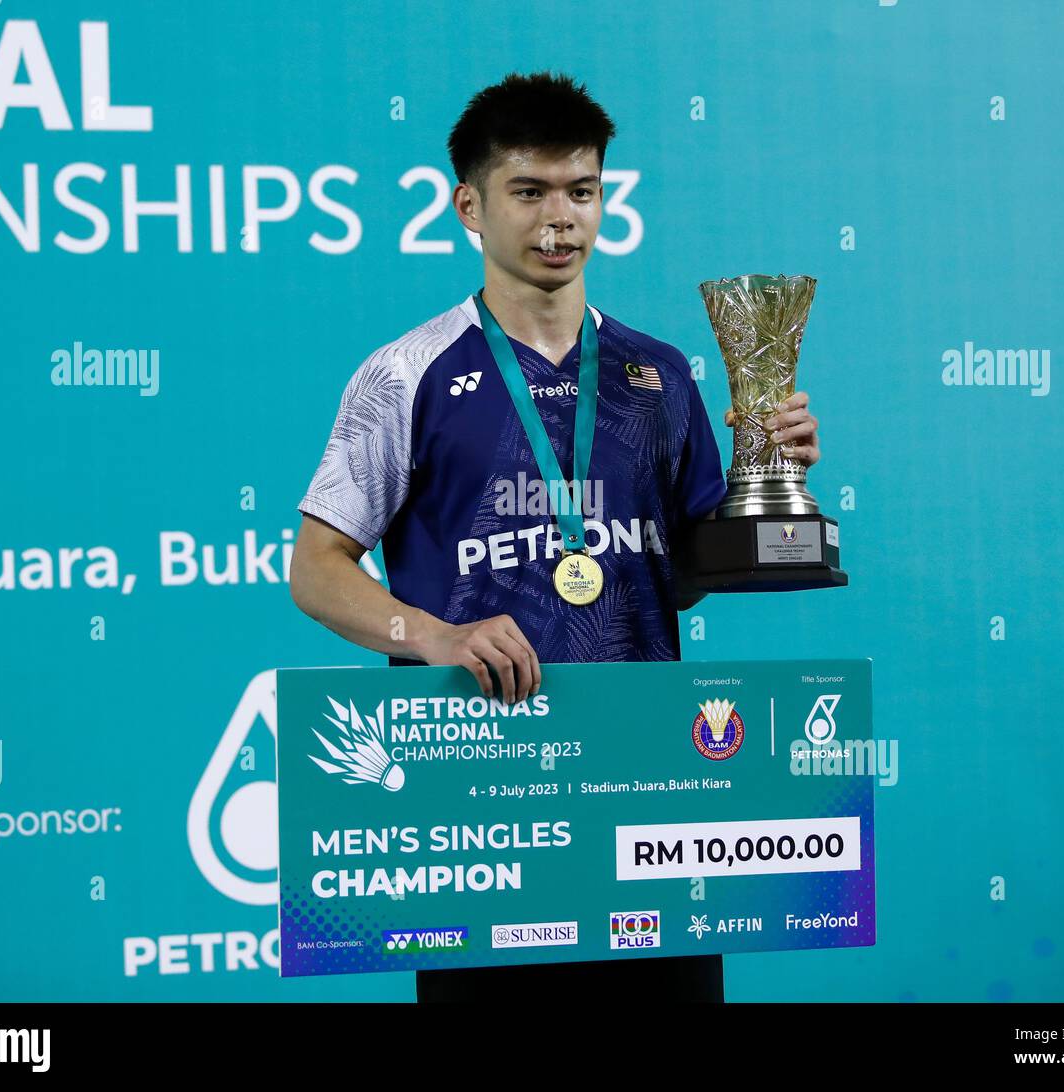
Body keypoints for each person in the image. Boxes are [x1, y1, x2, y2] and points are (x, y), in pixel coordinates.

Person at [289, 71, 821, 1003]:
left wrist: (765, 477)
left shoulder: (659, 373)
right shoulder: (405, 373)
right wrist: (437, 638)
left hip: (650, 790)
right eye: (529, 192)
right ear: (470, 205)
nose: (559, 219)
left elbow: (682, 574)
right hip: (482, 807)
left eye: (581, 191)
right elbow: (316, 569)